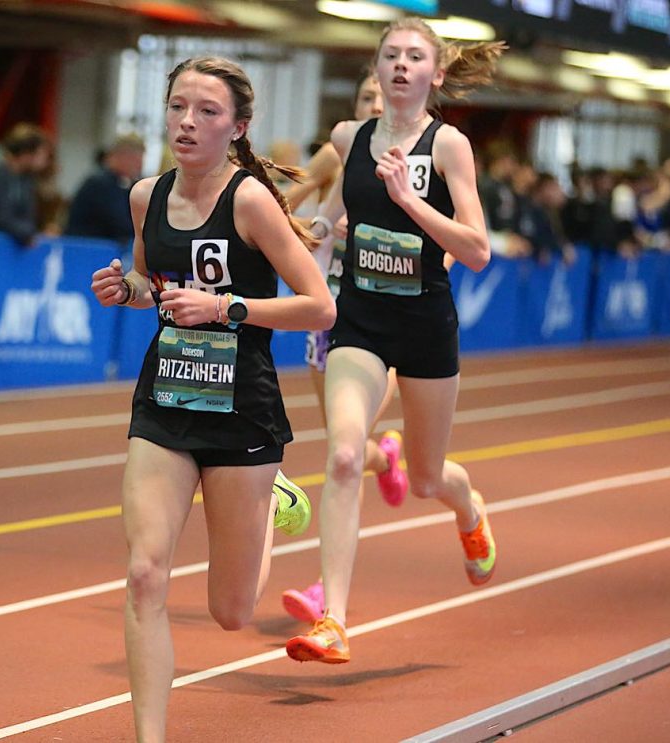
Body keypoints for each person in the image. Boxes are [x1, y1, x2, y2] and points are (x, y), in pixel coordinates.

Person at [89, 56, 335, 742]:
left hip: (242, 406)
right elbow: (151, 281)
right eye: (177, 108)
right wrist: (128, 289)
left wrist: (227, 309)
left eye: (206, 111)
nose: (187, 122)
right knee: (143, 571)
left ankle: (268, 492)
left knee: (231, 611)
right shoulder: (146, 194)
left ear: (238, 127)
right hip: (166, 397)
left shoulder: (251, 200)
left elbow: (317, 306)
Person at [285, 17, 504, 665]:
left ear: (436, 74)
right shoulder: (349, 138)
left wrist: (410, 201)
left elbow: (478, 249)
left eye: (415, 56)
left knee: (428, 477)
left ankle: (468, 507)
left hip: (426, 324)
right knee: (346, 456)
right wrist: (307, 231)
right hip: (360, 322)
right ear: (377, 70)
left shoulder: (449, 146)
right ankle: (335, 621)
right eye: (391, 55)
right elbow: (322, 224)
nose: (401, 65)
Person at [277, 68, 411, 624]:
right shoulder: (339, 152)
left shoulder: (421, 164)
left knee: (343, 456)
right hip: (331, 312)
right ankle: (389, 457)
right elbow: (288, 203)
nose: (371, 106)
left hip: (392, 321)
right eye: (363, 97)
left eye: (382, 98)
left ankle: (323, 591)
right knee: (344, 448)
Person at [0, 122, 54, 247]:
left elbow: (29, 217)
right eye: (42, 153)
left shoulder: (27, 180)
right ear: (27, 153)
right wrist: (29, 233)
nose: (45, 160)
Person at [64, 133, 145, 244]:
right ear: (121, 156)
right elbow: (120, 223)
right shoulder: (99, 184)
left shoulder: (124, 183)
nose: (140, 165)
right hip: (87, 249)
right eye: (136, 159)